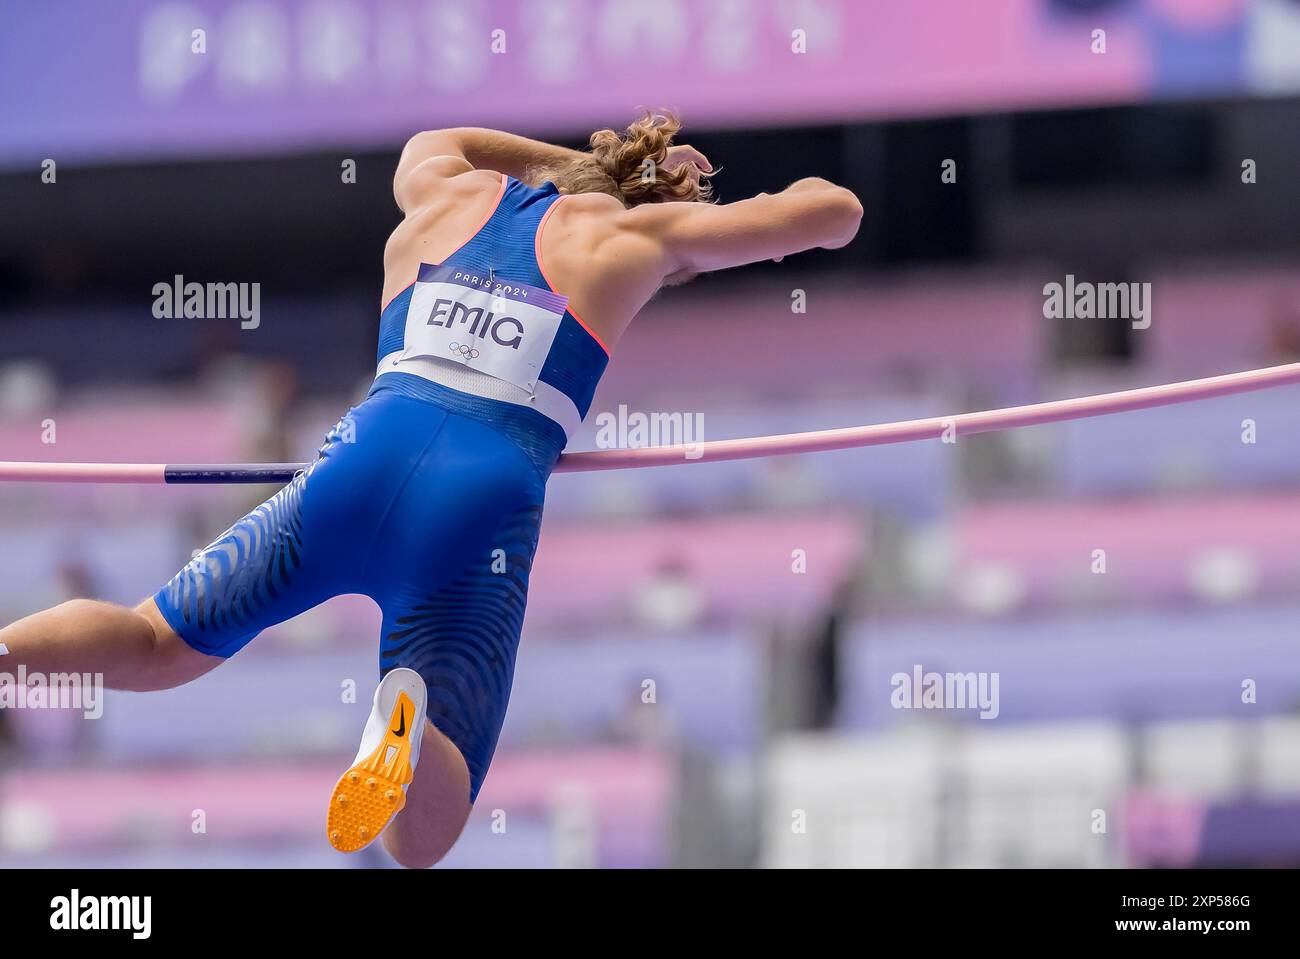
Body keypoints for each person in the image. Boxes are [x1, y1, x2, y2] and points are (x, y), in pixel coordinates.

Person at [0, 112, 863, 867]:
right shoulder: (635, 241)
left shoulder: (439, 194)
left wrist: (587, 163)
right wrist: (669, 204)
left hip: (360, 460)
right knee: (418, 843)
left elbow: (440, 135)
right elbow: (834, 213)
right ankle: (402, 728)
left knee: (153, 643)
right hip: (478, 502)